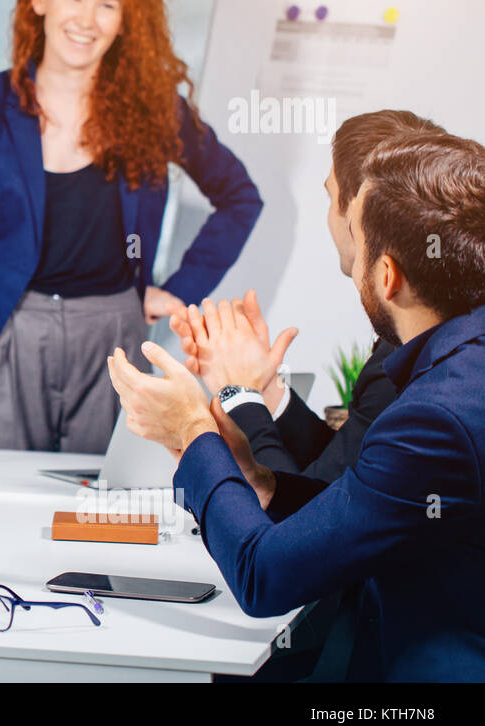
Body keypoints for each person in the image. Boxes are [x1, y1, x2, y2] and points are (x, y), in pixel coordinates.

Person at [107, 132, 485, 681]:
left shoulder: (438, 417)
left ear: (386, 276)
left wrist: (193, 431)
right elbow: (361, 505)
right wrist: (254, 479)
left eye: (353, 231)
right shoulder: (458, 369)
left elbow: (265, 580)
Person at [0, 0, 262, 455]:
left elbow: (239, 197)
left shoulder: (155, 110)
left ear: (127, 18)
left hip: (114, 340)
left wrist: (180, 289)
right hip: (8, 336)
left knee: (103, 512)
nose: (86, 19)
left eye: (108, 5)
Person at [169, 110, 447, 480]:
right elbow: (336, 474)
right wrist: (266, 389)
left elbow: (305, 519)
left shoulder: (406, 357)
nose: (329, 218)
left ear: (358, 215)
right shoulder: (415, 331)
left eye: (331, 197)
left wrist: (239, 393)